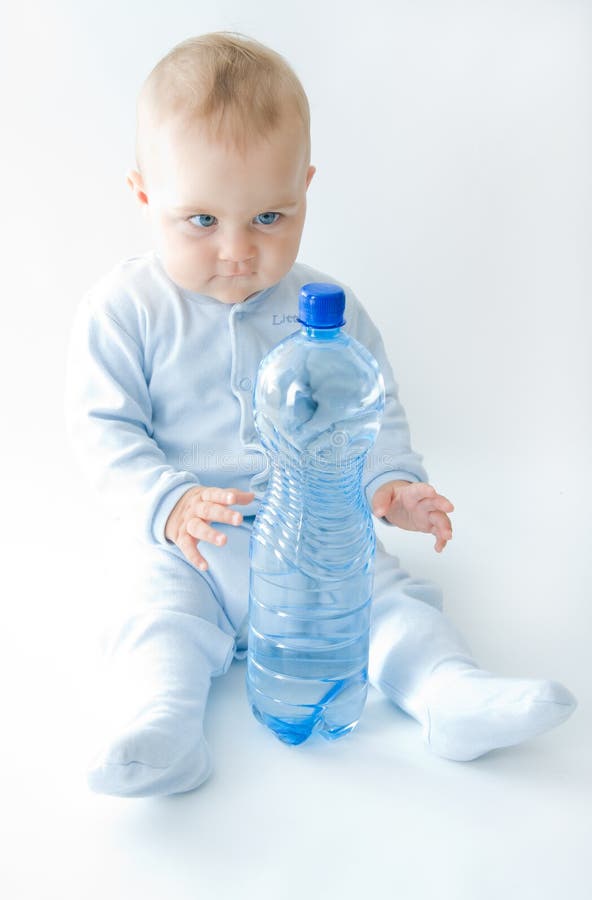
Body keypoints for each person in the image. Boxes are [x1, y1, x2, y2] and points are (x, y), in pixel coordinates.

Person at [64, 32, 576, 798]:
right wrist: (167, 504)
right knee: (153, 621)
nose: (238, 250)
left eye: (270, 216)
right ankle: (163, 731)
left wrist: (392, 485)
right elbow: (103, 432)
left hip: (308, 538)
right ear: (144, 196)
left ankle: (448, 692)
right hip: (188, 549)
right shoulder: (123, 311)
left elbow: (371, 417)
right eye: (200, 220)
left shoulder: (330, 318)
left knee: (386, 598)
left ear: (305, 188)